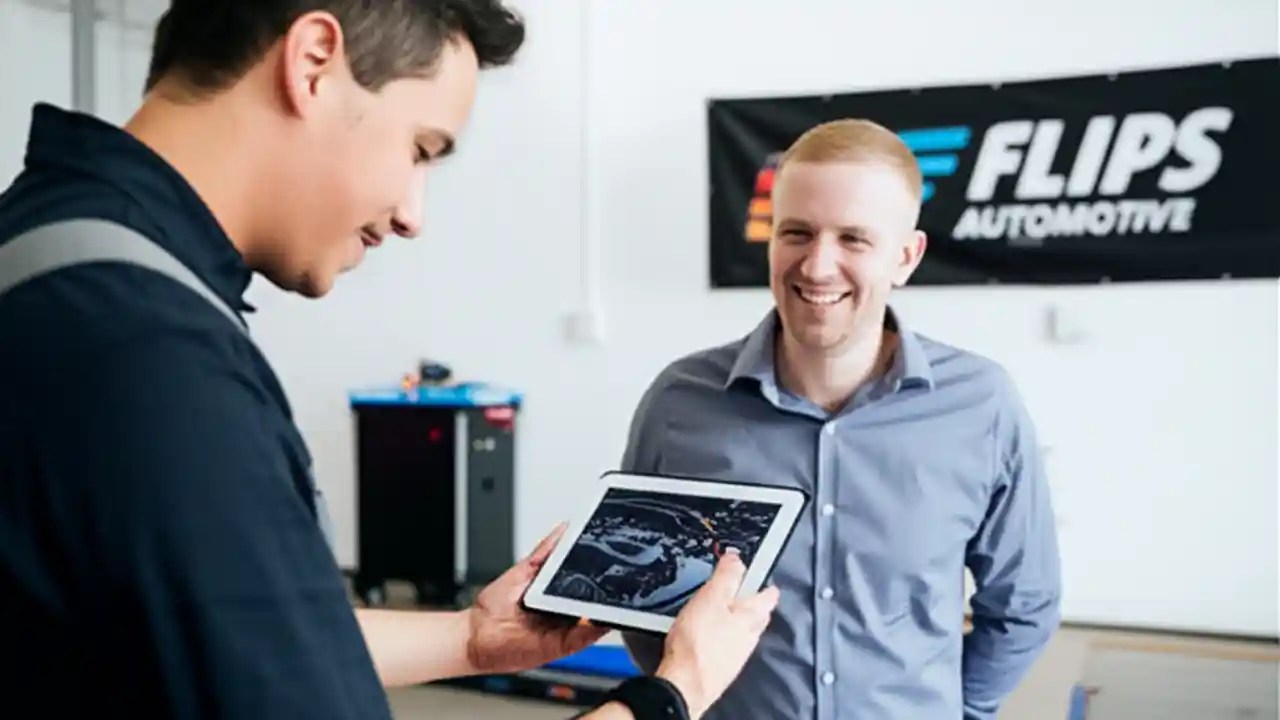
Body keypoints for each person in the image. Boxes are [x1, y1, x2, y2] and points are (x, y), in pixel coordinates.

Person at [0, 2, 779, 719]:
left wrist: (468, 641)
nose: (412, 214)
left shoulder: (48, 254)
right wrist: (673, 694)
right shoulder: (153, 359)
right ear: (312, 62)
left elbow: (212, 627)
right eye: (420, 149)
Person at [618, 118, 1063, 719]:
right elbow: (641, 604)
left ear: (906, 257)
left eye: (854, 239)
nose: (818, 266)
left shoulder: (981, 406)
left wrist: (962, 711)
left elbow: (1022, 604)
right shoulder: (681, 403)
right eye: (796, 233)